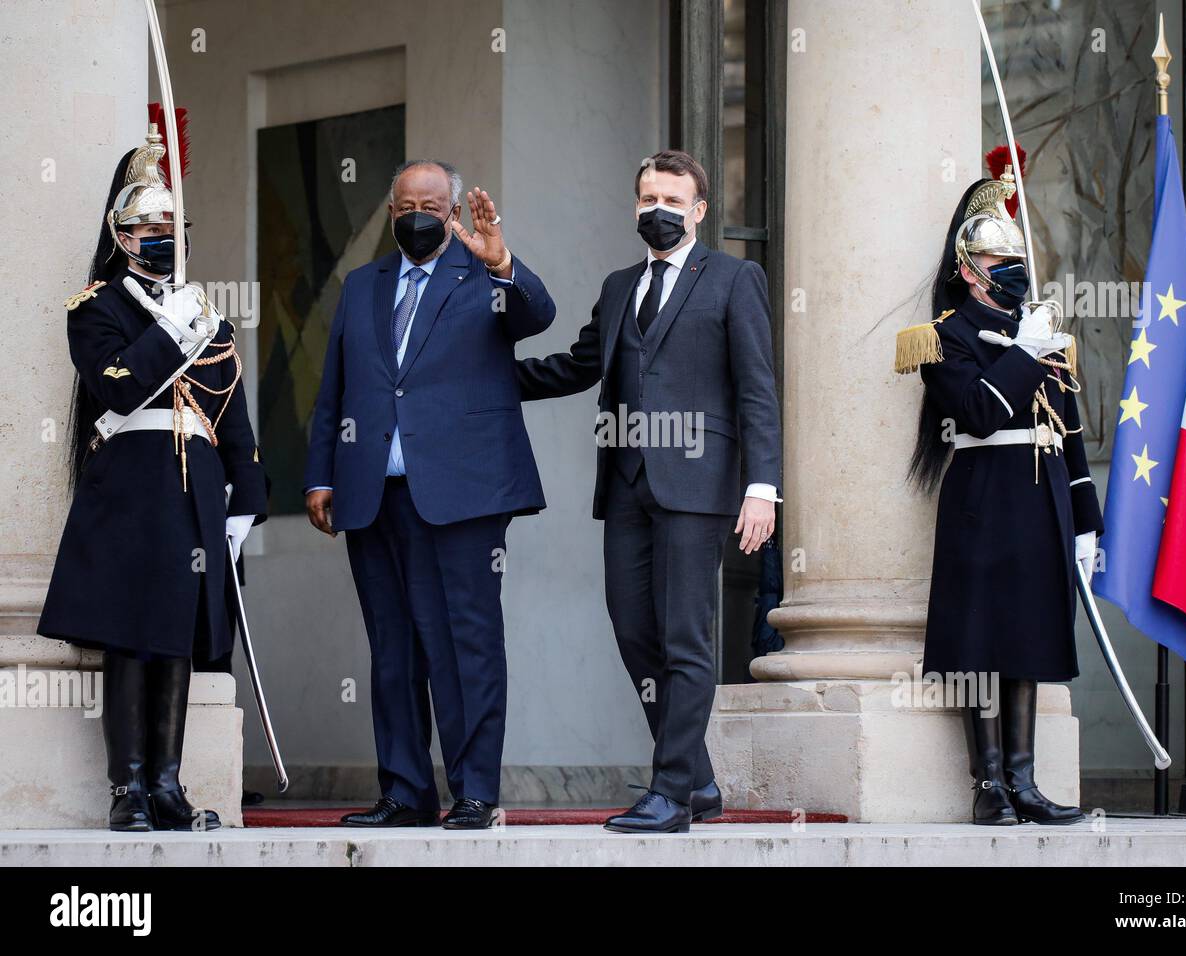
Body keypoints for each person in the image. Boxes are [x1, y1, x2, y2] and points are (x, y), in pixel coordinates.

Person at [517, 150, 781, 833]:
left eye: (671, 200)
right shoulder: (616, 287)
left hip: (698, 485)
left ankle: (670, 791)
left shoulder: (732, 278)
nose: (656, 210)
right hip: (628, 485)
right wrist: (483, 375)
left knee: (685, 639)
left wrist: (763, 487)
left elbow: (757, 390)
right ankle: (696, 779)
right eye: (646, 199)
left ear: (697, 211)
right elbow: (575, 366)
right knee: (635, 632)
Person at [303, 160, 554, 830]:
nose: (419, 214)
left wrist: (502, 262)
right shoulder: (362, 286)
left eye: (432, 204)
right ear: (392, 211)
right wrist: (320, 474)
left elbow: (537, 316)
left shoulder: (483, 276)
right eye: (406, 203)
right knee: (392, 649)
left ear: (451, 212)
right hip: (372, 492)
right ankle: (405, 791)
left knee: (464, 643)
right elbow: (336, 389)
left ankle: (474, 791)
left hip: (462, 493)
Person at [38, 123, 267, 831]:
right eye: (149, 225)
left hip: (194, 486)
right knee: (129, 635)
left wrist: (243, 503)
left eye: (172, 224)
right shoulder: (98, 308)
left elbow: (231, 416)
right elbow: (117, 388)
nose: (164, 235)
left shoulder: (208, 315)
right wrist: (173, 330)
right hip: (131, 483)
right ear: (123, 234)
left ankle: (167, 786)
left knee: (176, 635)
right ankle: (127, 789)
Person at [894, 167, 1102, 826]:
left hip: (1043, 503)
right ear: (966, 267)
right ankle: (988, 786)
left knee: (1028, 638)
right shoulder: (943, 336)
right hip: (983, 497)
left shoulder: (1044, 331)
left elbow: (1066, 436)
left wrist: (1087, 522)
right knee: (981, 639)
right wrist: (1023, 352)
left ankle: (1026, 782)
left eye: (1013, 258)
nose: (1007, 267)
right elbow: (978, 412)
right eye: (993, 258)